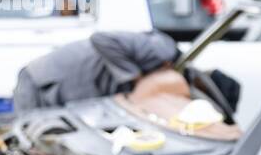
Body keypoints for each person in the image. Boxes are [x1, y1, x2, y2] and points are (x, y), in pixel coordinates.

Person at [11, 30, 179, 113]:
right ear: (168, 64)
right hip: (37, 83)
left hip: (59, 90)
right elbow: (100, 38)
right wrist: (134, 77)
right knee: (30, 148)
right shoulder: (157, 50)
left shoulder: (156, 56)